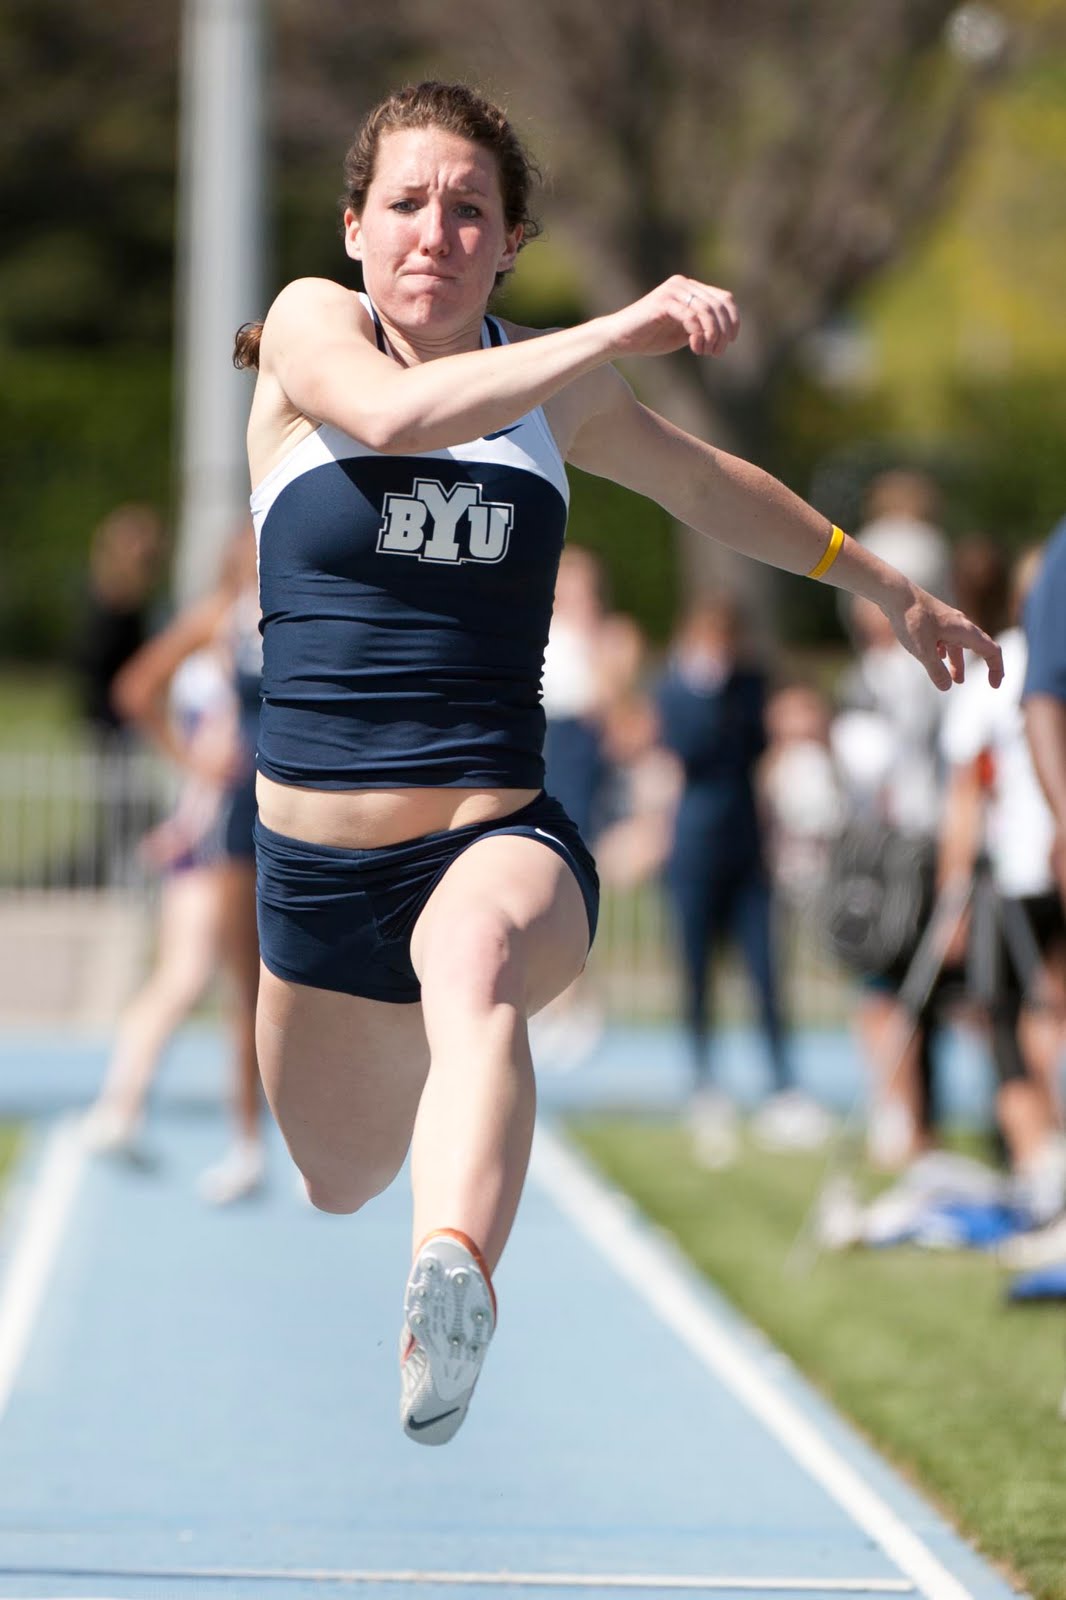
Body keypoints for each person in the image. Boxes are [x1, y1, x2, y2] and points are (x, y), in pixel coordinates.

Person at [232, 80, 1002, 1447]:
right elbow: (396, 420)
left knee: (478, 965)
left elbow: (705, 483)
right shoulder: (311, 328)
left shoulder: (559, 388)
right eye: (406, 205)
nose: (435, 233)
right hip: (316, 879)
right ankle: (415, 1211)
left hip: (491, 833)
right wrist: (611, 329)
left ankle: (452, 1278)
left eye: (469, 211)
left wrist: (884, 584)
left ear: (508, 242)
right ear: (354, 227)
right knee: (338, 1174)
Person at [81, 525, 266, 1205]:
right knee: (210, 978)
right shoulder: (221, 618)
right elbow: (136, 690)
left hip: (239, 817)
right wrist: (193, 768)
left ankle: (125, 1107)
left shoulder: (285, 612)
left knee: (201, 978)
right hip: (218, 825)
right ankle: (140, 1112)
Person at [654, 598, 832, 1167]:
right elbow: (693, 746)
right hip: (695, 849)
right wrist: (707, 687)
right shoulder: (675, 689)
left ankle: (783, 1083)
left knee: (766, 972)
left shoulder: (753, 685)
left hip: (747, 847)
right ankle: (704, 1080)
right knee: (697, 973)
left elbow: (763, 741)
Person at [938, 542, 1066, 1224]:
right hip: (1043, 863)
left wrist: (952, 891)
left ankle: (1041, 1163)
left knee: (1011, 1024)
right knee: (1049, 1014)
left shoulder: (1003, 661)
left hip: (1022, 870)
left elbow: (964, 791)